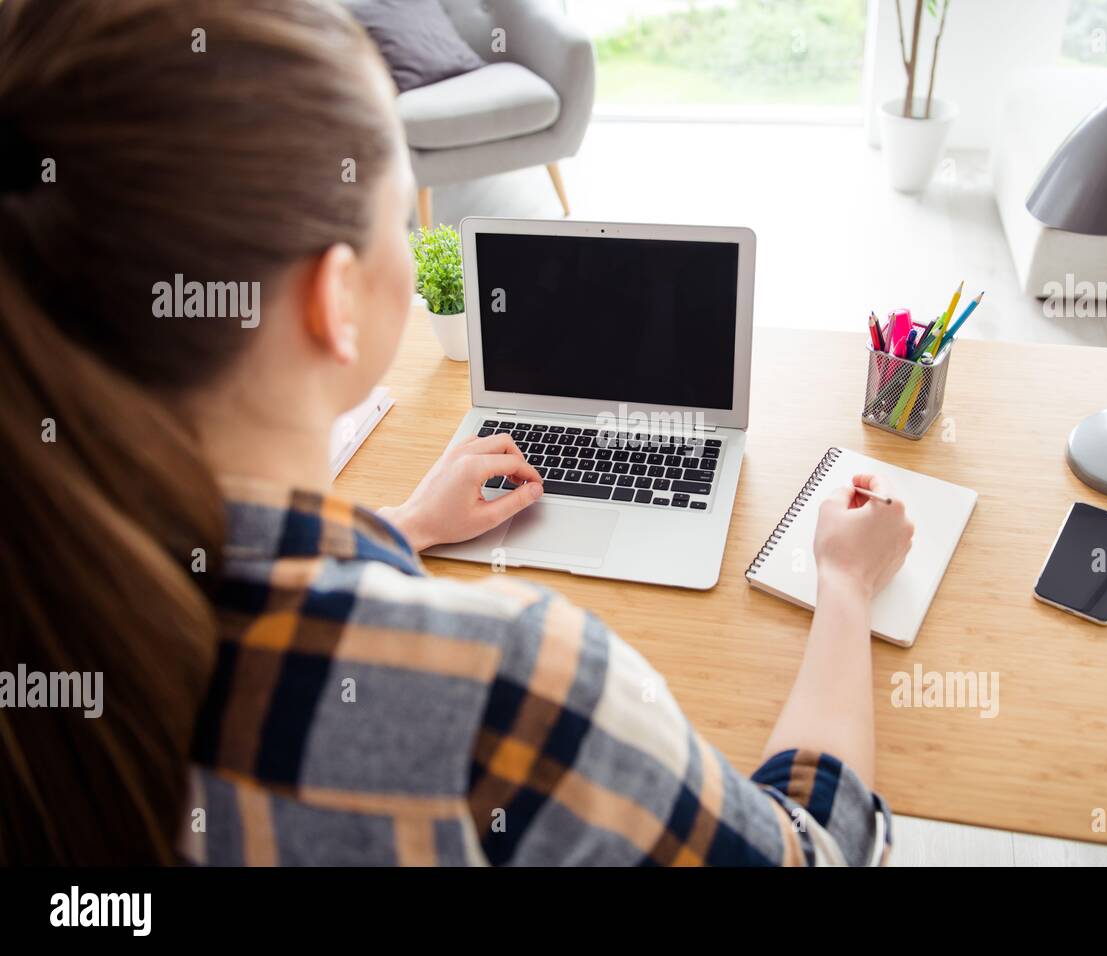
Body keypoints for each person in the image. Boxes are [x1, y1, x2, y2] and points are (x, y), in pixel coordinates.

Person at [0, 0, 913, 866]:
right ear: (336, 300)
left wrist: (404, 530)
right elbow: (814, 851)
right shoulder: (507, 681)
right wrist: (841, 584)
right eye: (400, 212)